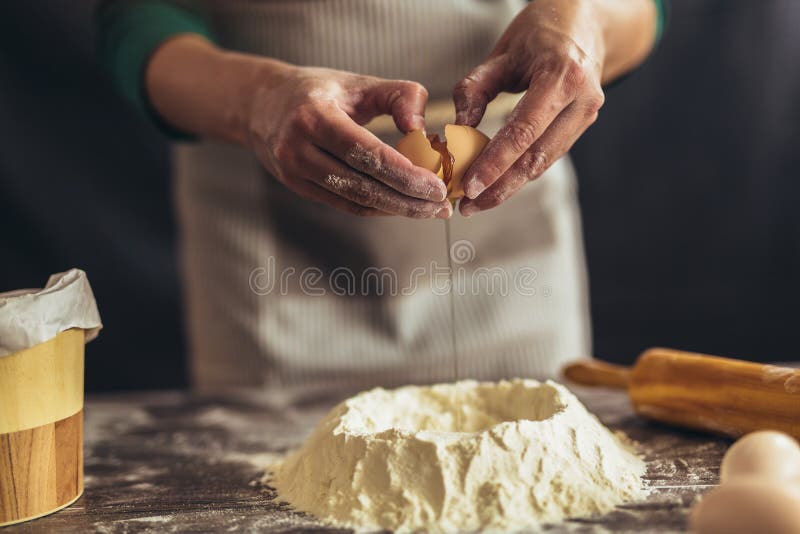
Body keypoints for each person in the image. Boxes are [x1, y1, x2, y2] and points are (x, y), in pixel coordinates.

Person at [97, 0, 665, 395]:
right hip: (275, 264)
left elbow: (642, 11)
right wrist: (259, 101)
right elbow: (135, 20)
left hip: (514, 268)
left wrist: (585, 29)